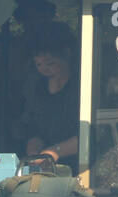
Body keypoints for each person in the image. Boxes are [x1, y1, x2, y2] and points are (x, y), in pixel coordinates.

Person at [17, 26, 80, 170]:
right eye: (38, 64)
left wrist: (56, 150)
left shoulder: (81, 87)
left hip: (82, 166)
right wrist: (33, 147)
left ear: (67, 54)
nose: (44, 69)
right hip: (47, 168)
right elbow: (31, 126)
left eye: (50, 63)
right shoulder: (37, 89)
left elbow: (91, 134)